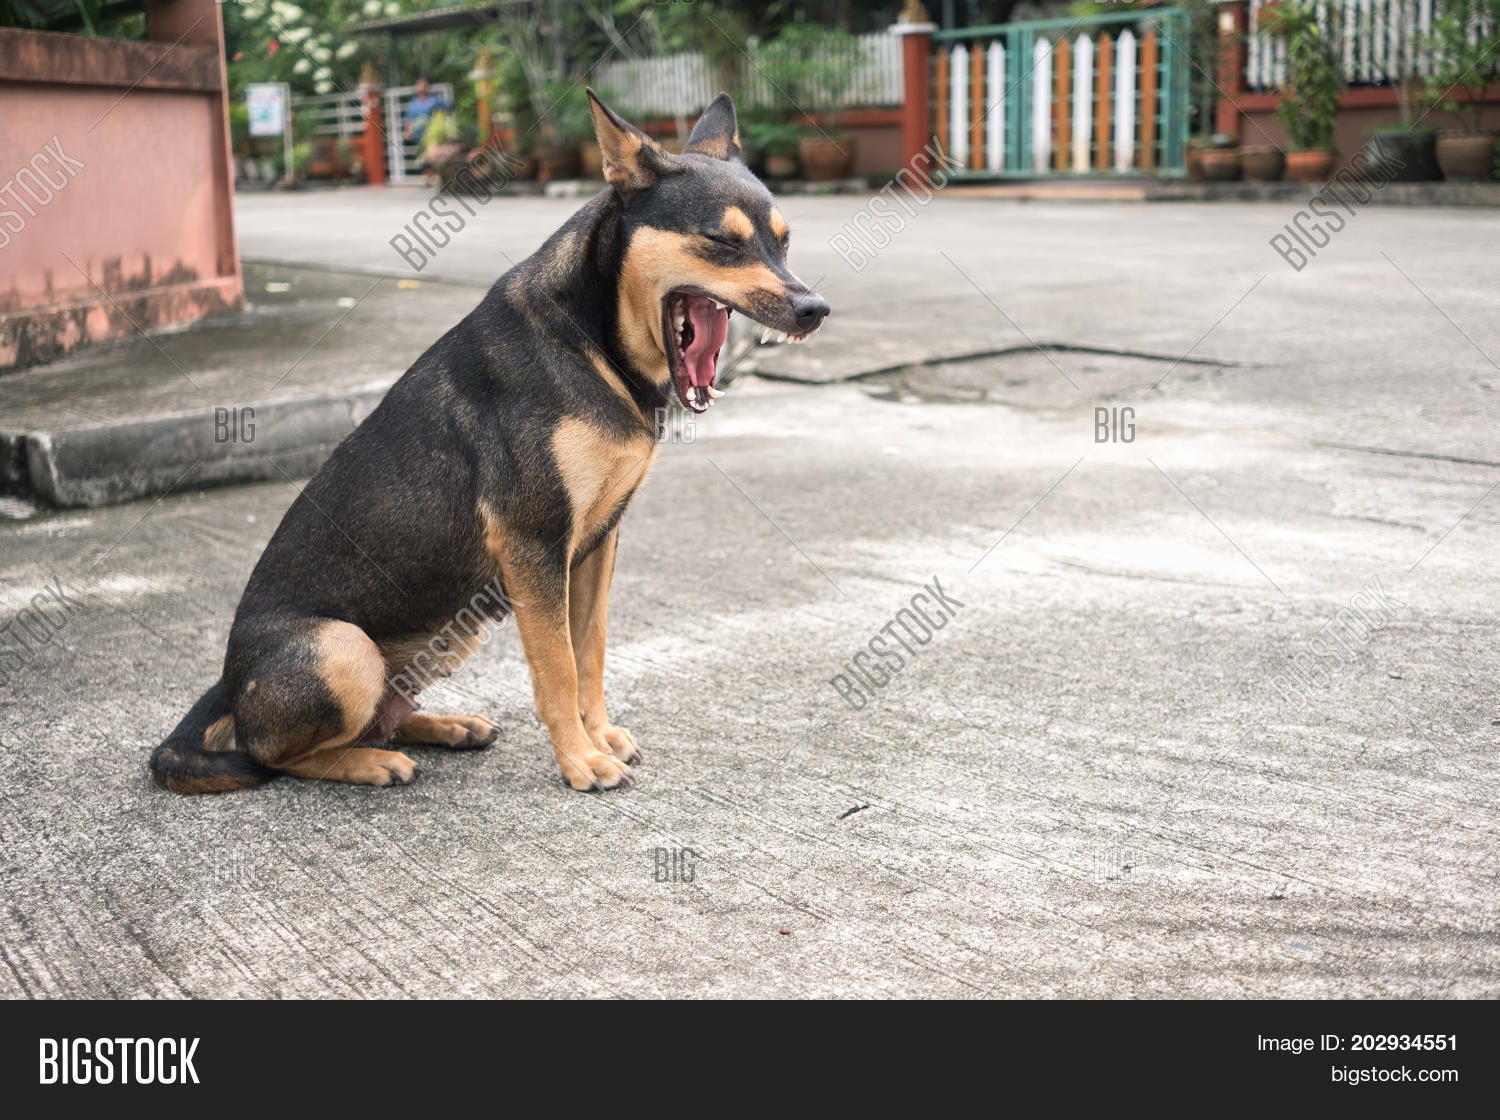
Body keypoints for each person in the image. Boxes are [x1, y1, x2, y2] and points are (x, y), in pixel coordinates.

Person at [403, 77, 454, 187]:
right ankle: (428, 177)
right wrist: (407, 131)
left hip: (432, 135)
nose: (421, 88)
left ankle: (435, 176)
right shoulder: (413, 103)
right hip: (418, 135)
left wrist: (442, 124)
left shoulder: (434, 100)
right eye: (419, 86)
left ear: (428, 87)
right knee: (421, 157)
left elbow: (449, 108)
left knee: (432, 156)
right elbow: (409, 119)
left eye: (423, 86)